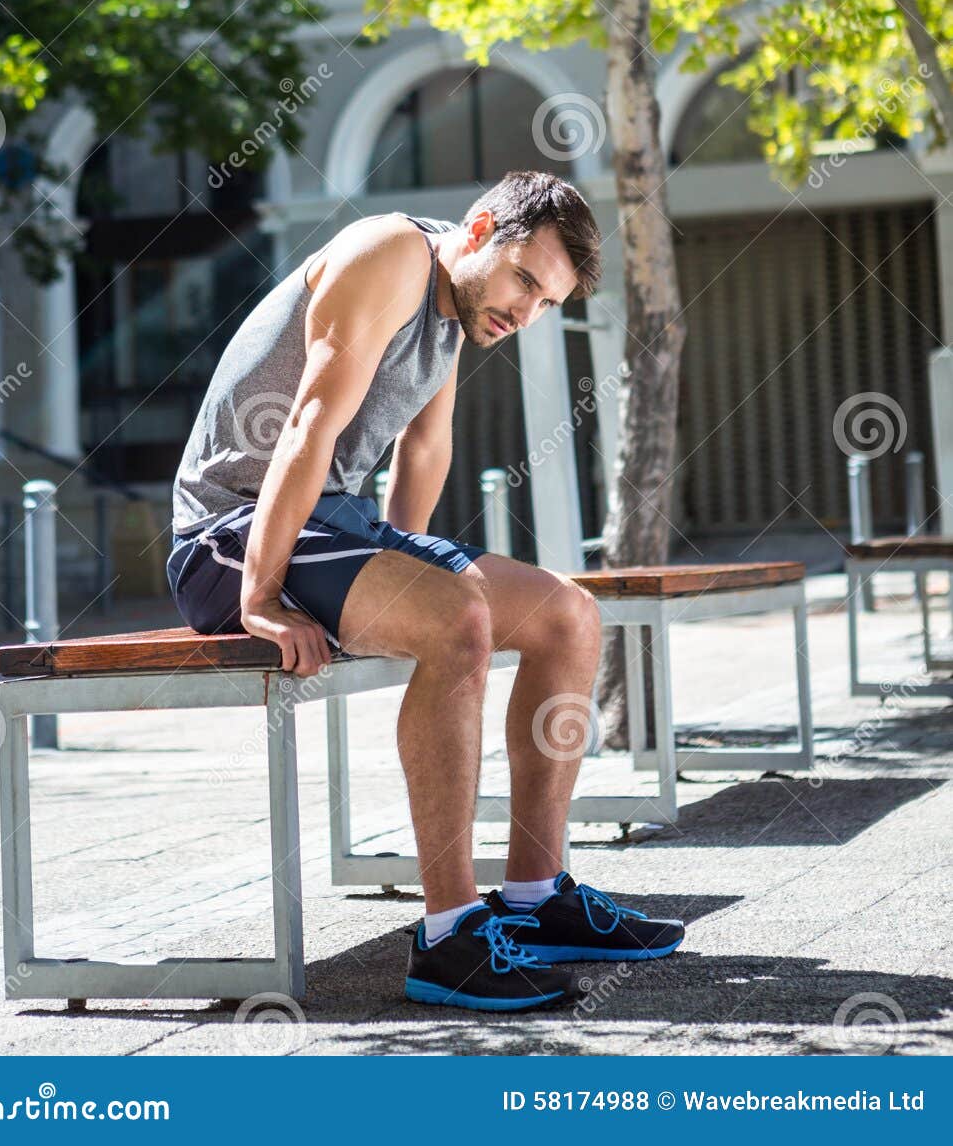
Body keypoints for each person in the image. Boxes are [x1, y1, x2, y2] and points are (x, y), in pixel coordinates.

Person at [169, 170, 684, 1011]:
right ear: (478, 230)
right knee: (458, 622)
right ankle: (448, 936)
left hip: (332, 525)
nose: (524, 314)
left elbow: (425, 447)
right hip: (233, 533)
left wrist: (413, 563)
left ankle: (533, 897)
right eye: (524, 280)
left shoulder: (454, 306)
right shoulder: (389, 253)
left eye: (545, 302)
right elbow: (307, 423)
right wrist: (260, 598)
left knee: (567, 616)